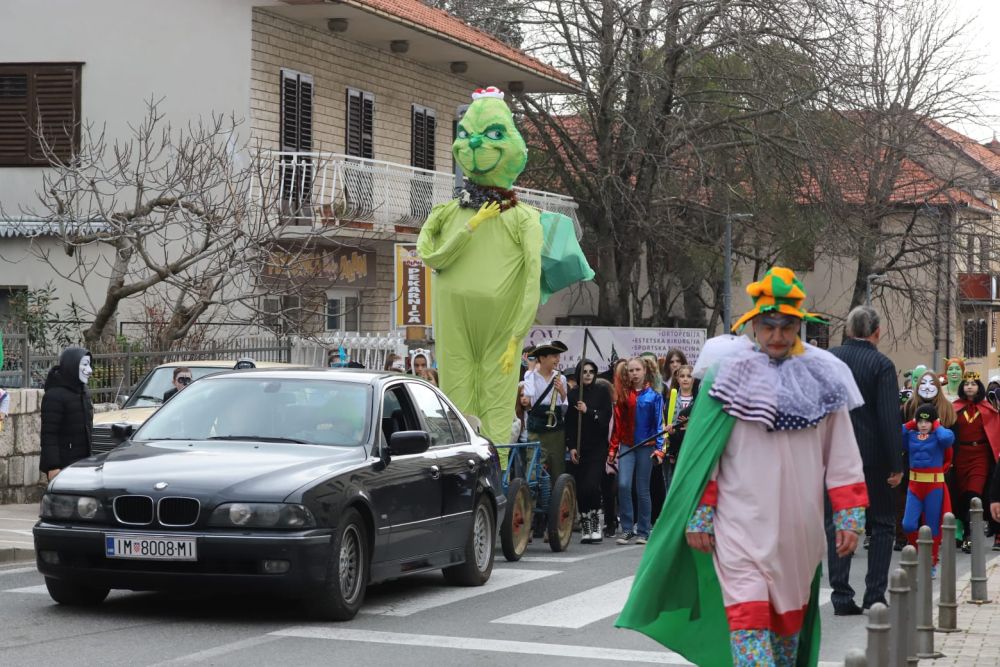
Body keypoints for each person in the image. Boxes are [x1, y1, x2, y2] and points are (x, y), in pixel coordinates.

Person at [617, 266, 868, 666]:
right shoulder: (727, 376)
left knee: (786, 644)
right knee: (750, 635)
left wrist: (850, 513)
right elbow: (706, 454)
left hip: (797, 535)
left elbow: (842, 453)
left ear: (799, 324)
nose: (777, 335)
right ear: (753, 324)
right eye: (768, 326)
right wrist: (701, 511)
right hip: (738, 529)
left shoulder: (825, 376)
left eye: (787, 326)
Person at [824, 305, 904, 615]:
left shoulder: (829, 359)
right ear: (877, 332)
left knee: (837, 523)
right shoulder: (881, 365)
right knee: (882, 524)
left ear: (847, 330)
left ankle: (841, 595)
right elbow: (888, 416)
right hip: (872, 458)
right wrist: (896, 464)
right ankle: (874, 594)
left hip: (833, 456)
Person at [608, 356, 664, 545]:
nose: (634, 373)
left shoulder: (655, 396)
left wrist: (659, 450)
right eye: (631, 370)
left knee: (642, 489)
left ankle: (643, 530)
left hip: (646, 447)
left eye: (637, 370)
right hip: (627, 445)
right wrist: (612, 450)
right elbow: (618, 426)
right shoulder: (623, 395)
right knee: (623, 485)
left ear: (645, 371)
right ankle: (626, 528)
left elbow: (659, 425)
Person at [950, 371, 1000, 552]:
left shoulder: (988, 409)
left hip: (980, 456)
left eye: (973, 383)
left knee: (974, 494)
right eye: (966, 383)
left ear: (979, 387)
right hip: (960, 455)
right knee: (962, 496)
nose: (969, 386)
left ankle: (972, 535)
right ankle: (965, 534)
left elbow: (995, 433)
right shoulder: (955, 408)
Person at [565, 359, 613, 544]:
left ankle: (596, 522)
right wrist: (572, 447)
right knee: (581, 489)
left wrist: (588, 410)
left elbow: (604, 418)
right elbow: (569, 422)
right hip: (580, 447)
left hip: (597, 447)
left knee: (591, 485)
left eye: (591, 371)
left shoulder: (602, 392)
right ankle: (586, 524)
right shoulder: (574, 394)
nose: (587, 374)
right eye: (584, 371)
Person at [901, 403, 954, 570]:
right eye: (920, 421)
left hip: (934, 486)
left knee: (932, 526)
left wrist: (936, 424)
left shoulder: (940, 435)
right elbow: (895, 435)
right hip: (914, 485)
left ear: (933, 422)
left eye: (927, 421)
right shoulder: (911, 435)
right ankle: (920, 552)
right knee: (908, 524)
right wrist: (911, 423)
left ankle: (931, 560)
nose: (923, 425)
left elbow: (947, 440)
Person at [39, 346, 95, 481]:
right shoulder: (54, 395)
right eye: (85, 365)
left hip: (84, 462)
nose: (90, 371)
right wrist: (53, 466)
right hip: (63, 465)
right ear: (72, 365)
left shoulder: (84, 392)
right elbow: (49, 434)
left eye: (90, 365)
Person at [521, 340, 569, 479]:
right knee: (532, 472)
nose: (558, 359)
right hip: (536, 430)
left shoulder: (562, 378)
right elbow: (528, 395)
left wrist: (562, 392)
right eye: (554, 355)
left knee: (558, 471)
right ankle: (532, 500)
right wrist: (529, 371)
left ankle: (557, 500)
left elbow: (565, 408)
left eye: (558, 356)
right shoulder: (531, 376)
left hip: (556, 431)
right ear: (542, 358)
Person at [662, 364, 699, 495]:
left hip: (693, 447)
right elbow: (667, 420)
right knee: (674, 485)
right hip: (675, 447)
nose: (685, 379)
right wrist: (670, 430)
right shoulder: (671, 399)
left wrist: (691, 426)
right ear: (677, 379)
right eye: (682, 376)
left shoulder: (698, 400)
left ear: (694, 379)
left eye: (689, 376)